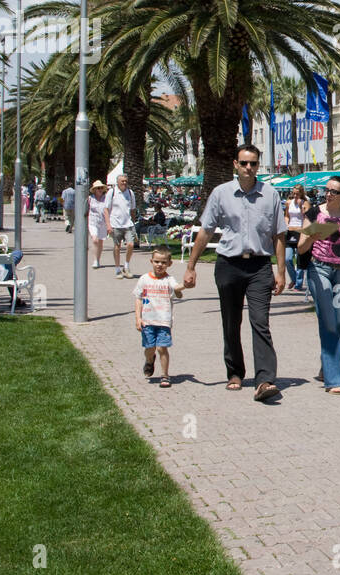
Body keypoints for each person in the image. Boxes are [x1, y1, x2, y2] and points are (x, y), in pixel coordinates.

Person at [183, 144, 287, 402]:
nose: (249, 168)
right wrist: (191, 266)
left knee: (260, 322)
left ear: (258, 165)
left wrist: (281, 272)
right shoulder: (221, 194)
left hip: (260, 267)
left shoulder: (270, 194)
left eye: (253, 163)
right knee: (231, 322)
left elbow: (279, 235)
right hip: (228, 265)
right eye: (244, 163)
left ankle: (264, 380)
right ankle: (235, 372)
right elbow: (206, 231)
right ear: (235, 164)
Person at [297, 174, 340, 395]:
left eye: (334, 191)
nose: (329, 194)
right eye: (327, 190)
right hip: (319, 269)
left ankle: (328, 357)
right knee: (328, 320)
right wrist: (312, 237)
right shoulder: (314, 213)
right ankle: (335, 380)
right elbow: (300, 248)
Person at [135, 244, 185, 388]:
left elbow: (176, 288)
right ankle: (150, 361)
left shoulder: (169, 280)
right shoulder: (144, 279)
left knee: (162, 348)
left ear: (169, 264)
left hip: (164, 321)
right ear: (151, 261)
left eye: (163, 262)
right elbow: (138, 298)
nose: (160, 265)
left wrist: (185, 285)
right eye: (157, 261)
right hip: (147, 321)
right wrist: (138, 318)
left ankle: (165, 375)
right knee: (150, 348)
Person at [108, 174, 138, 279]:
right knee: (117, 247)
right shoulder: (112, 192)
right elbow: (106, 209)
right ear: (118, 182)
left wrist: (133, 222)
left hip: (128, 224)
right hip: (115, 224)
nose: (124, 183)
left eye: (126, 181)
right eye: (122, 181)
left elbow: (133, 209)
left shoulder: (130, 193)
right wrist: (108, 225)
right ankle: (117, 269)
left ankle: (126, 266)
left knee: (130, 244)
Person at [284, 184, 310, 293]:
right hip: (290, 231)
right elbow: (286, 215)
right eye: (293, 193)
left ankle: (298, 284)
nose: (295, 196)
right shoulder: (288, 202)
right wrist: (286, 224)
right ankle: (294, 279)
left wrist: (300, 207)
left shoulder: (305, 203)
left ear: (301, 193)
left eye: (297, 194)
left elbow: (307, 217)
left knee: (300, 259)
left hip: (300, 231)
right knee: (287, 258)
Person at [87, 181, 112, 269]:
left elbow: (108, 211)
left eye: (101, 188)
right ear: (94, 190)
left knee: (100, 241)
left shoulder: (106, 199)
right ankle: (94, 260)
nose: (100, 190)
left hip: (103, 223)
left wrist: (109, 224)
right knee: (95, 240)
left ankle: (98, 259)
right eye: (98, 188)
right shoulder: (90, 199)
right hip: (92, 222)